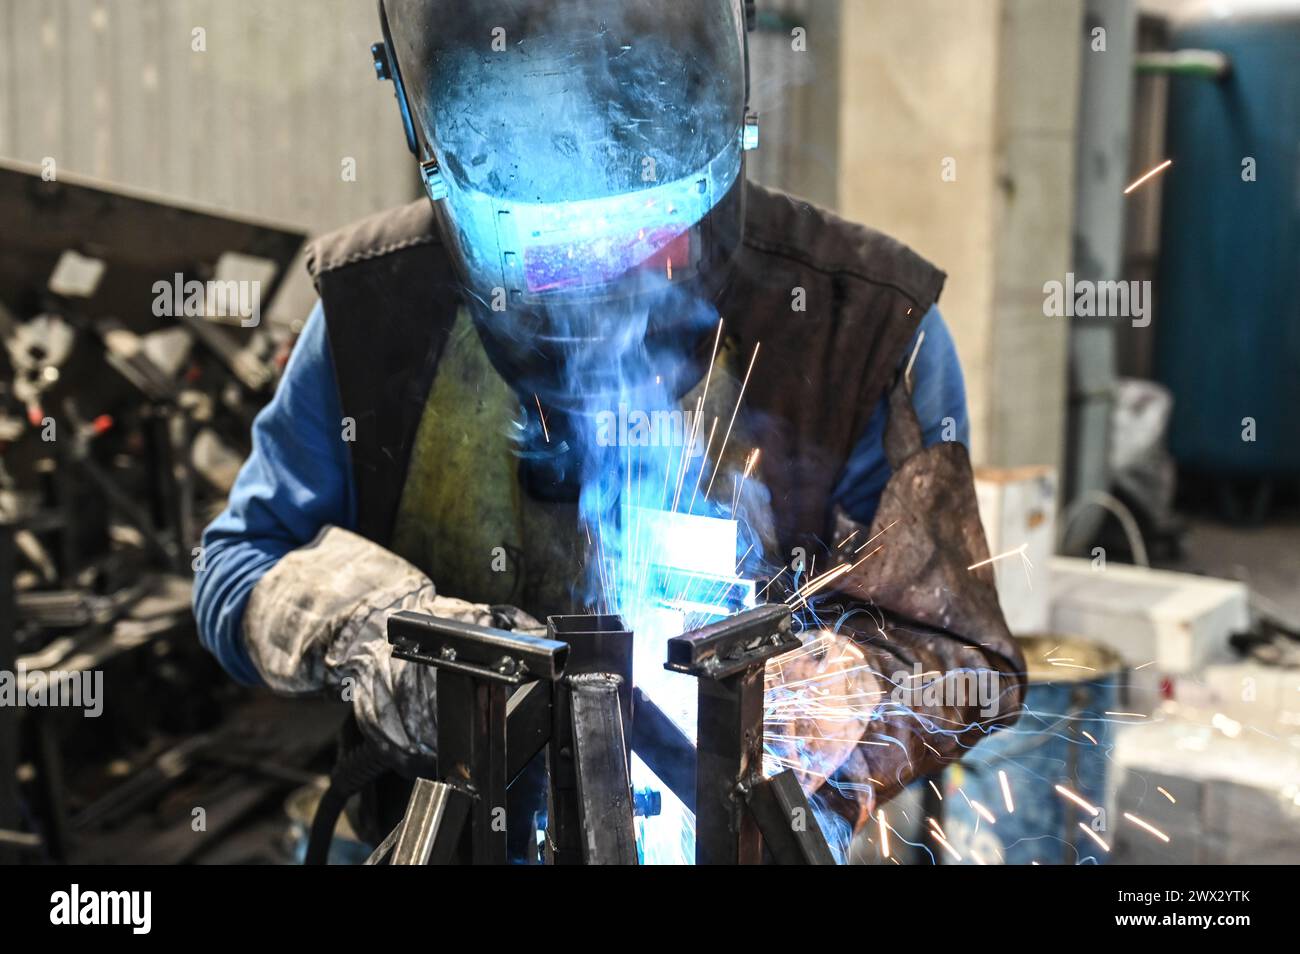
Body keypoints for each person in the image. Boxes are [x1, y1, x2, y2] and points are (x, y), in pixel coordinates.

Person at [194, 0, 1023, 842]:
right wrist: (368, 631)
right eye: (548, 260)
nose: (604, 290)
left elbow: (962, 659)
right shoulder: (373, 309)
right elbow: (236, 564)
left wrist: (847, 689)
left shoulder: (862, 325)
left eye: (651, 241)